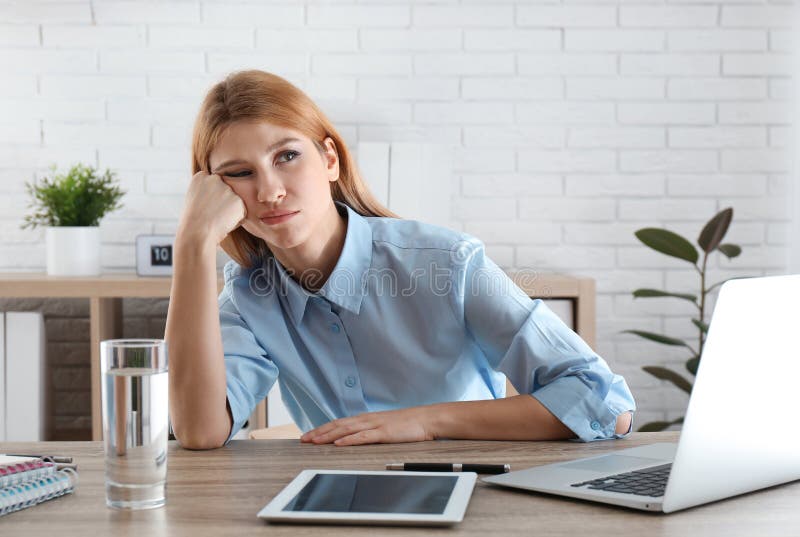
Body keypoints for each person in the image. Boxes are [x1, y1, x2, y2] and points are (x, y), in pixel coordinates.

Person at [165, 70, 635, 450]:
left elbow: (606, 403)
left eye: (286, 155)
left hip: (475, 496)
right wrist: (192, 242)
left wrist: (425, 422)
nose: (270, 191)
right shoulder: (251, 299)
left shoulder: (447, 264)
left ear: (330, 159)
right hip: (339, 506)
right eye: (240, 174)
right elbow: (201, 431)